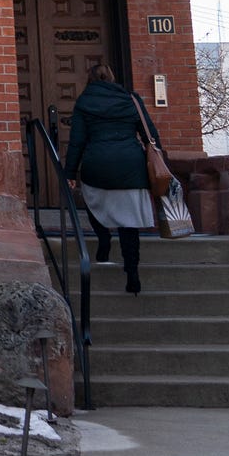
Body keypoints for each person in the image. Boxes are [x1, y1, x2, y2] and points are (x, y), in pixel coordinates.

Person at [62, 61, 155, 293]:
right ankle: (132, 273)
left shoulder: (84, 102)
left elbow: (77, 141)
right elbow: (150, 135)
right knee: (129, 222)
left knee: (95, 205)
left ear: (90, 79)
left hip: (98, 163)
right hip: (131, 165)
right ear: (112, 78)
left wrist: (70, 172)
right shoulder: (131, 99)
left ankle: (103, 240)